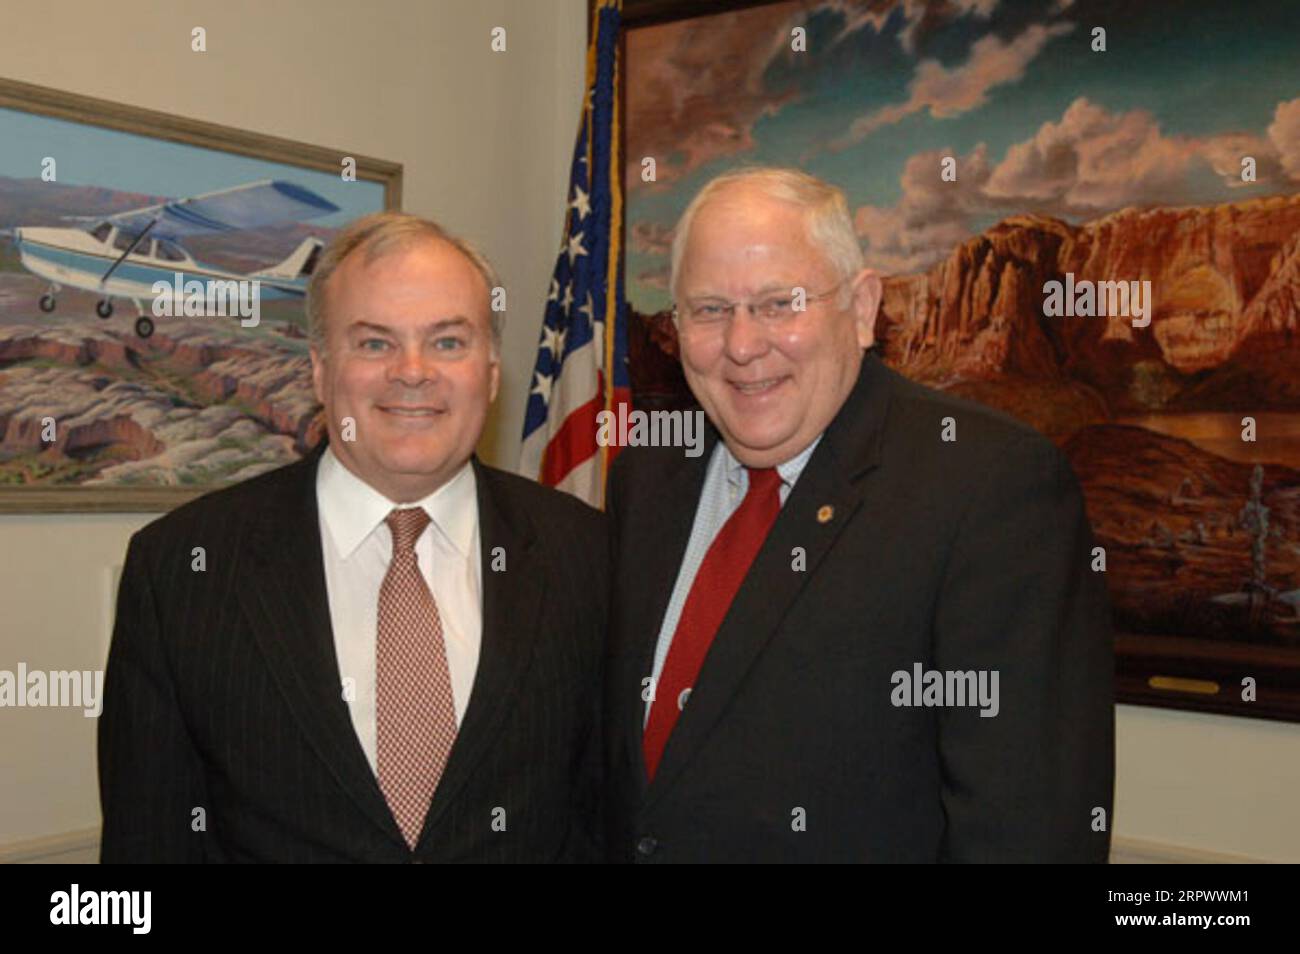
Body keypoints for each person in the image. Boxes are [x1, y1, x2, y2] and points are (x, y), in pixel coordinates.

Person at [604, 168, 1115, 862]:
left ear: (863, 307)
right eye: (709, 309)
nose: (744, 344)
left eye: (781, 303)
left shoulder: (989, 487)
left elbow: (1027, 833)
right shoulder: (647, 474)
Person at [99, 212, 605, 862]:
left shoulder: (586, 556)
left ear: (493, 370)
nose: (413, 371)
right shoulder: (181, 571)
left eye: (448, 342)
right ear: (318, 370)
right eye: (373, 343)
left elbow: (602, 823)